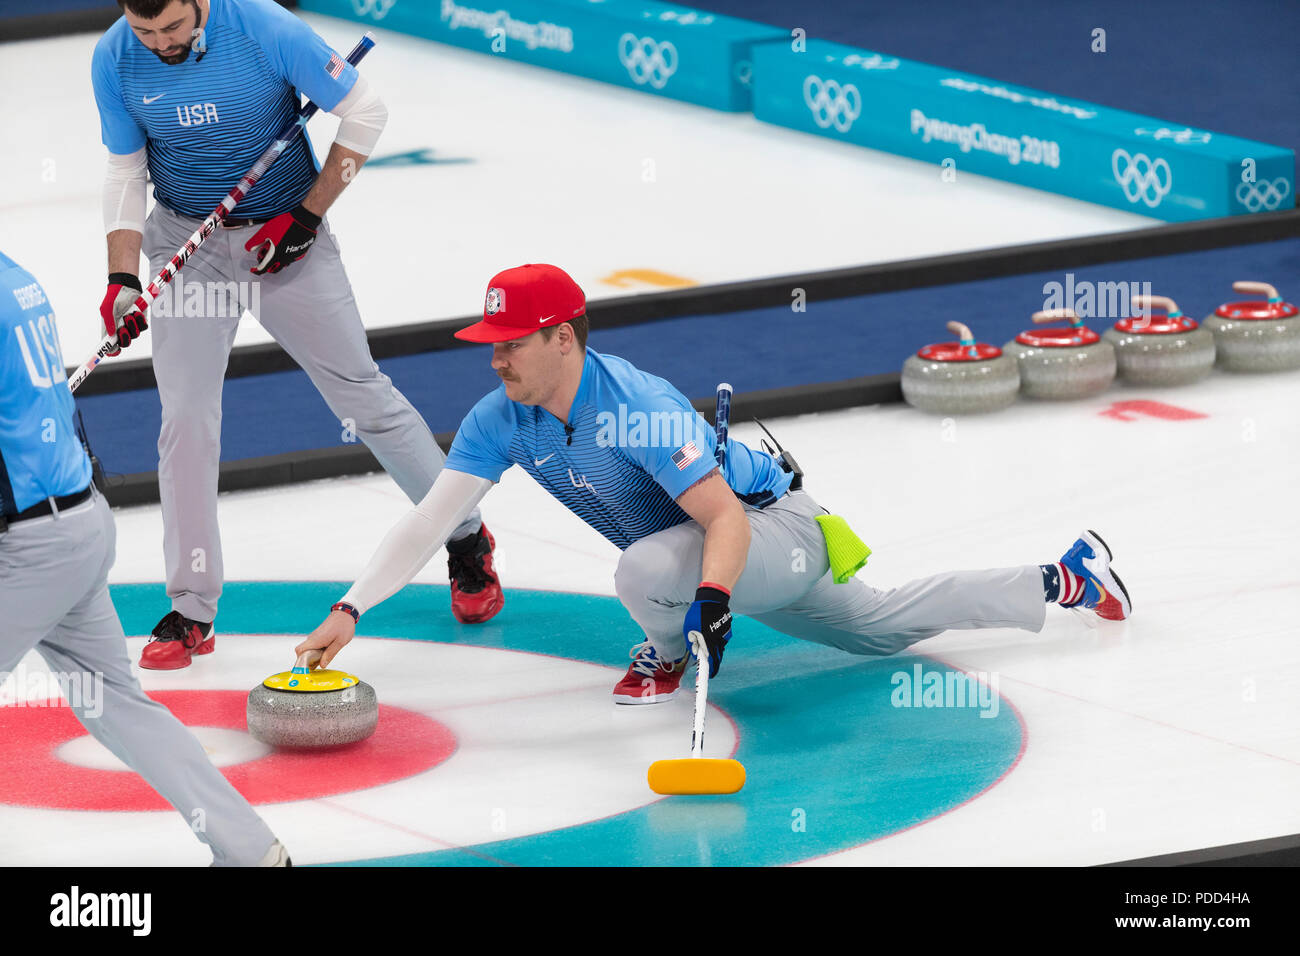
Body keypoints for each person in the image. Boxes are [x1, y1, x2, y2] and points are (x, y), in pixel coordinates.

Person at [296, 264, 1132, 699]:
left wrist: (711, 604)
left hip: (774, 531)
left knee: (646, 570)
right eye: (493, 340)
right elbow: (429, 520)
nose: (496, 355)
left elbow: (724, 521)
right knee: (881, 628)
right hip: (716, 552)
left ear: (561, 338)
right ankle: (1062, 578)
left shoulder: (638, 407)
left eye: (511, 340)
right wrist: (350, 608)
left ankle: (664, 659)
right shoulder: (499, 416)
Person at [91, 0, 502, 671]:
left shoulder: (265, 29)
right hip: (184, 243)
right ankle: (192, 606)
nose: (160, 43)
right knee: (185, 420)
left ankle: (464, 538)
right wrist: (121, 276)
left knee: (362, 397)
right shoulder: (114, 56)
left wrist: (307, 219)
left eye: (172, 28)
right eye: (146, 32)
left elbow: (366, 113)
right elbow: (124, 170)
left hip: (283, 236)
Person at [0, 250, 289, 865]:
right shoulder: (17, 276)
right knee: (118, 704)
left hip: (27, 546)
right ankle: (248, 849)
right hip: (76, 523)